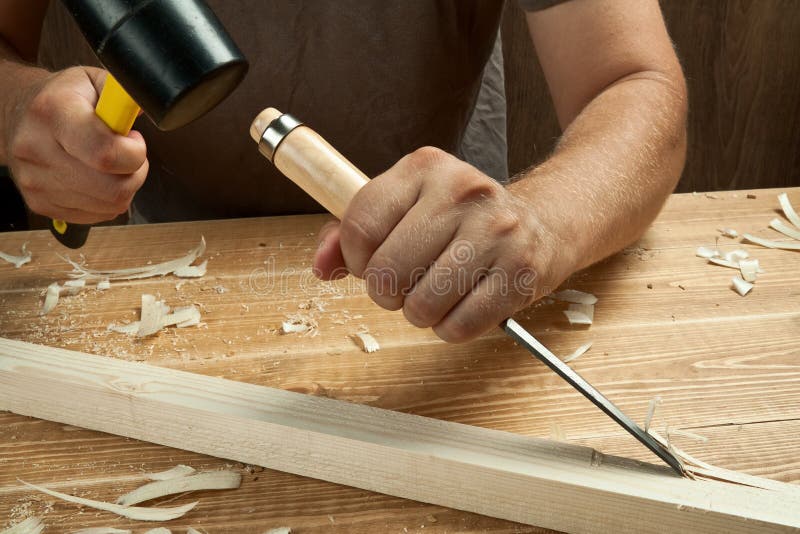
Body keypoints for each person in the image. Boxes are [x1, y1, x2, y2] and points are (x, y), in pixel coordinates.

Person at [0, 1, 687, 343]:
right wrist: (20, 110)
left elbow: (635, 82)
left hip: (447, 264)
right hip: (161, 266)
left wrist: (545, 219)